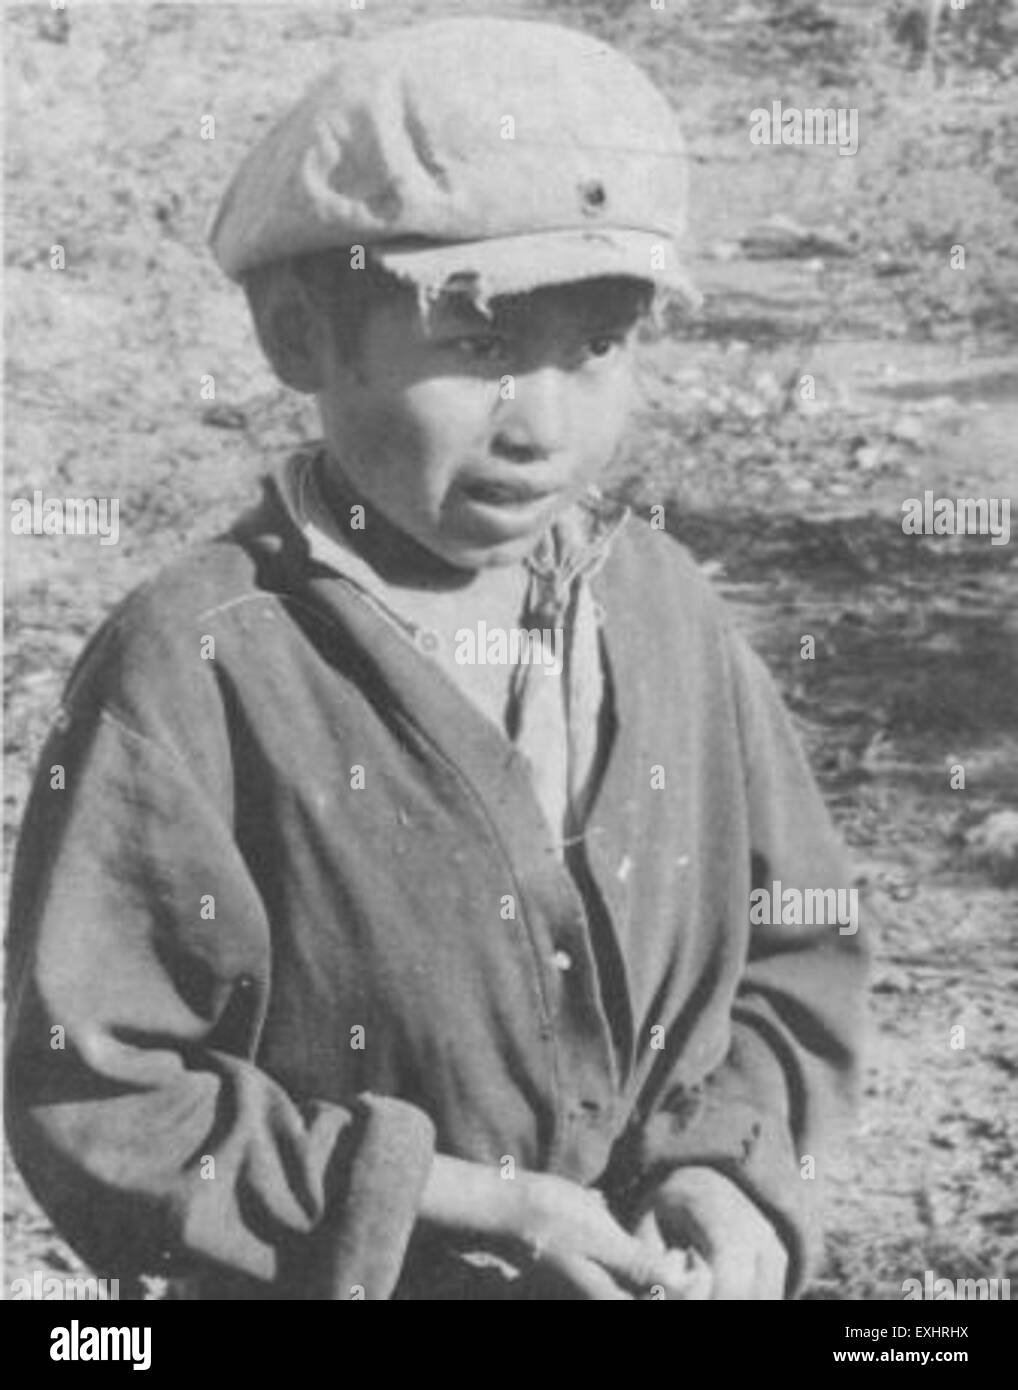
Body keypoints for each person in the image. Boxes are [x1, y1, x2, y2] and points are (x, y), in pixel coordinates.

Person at [5, 17, 867, 1300]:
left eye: (596, 347)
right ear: (300, 338)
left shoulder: (663, 612)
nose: (543, 426)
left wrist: (724, 1169)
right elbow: (100, 1093)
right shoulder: (197, 670)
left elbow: (794, 945)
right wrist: (450, 1201)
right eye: (479, 348)